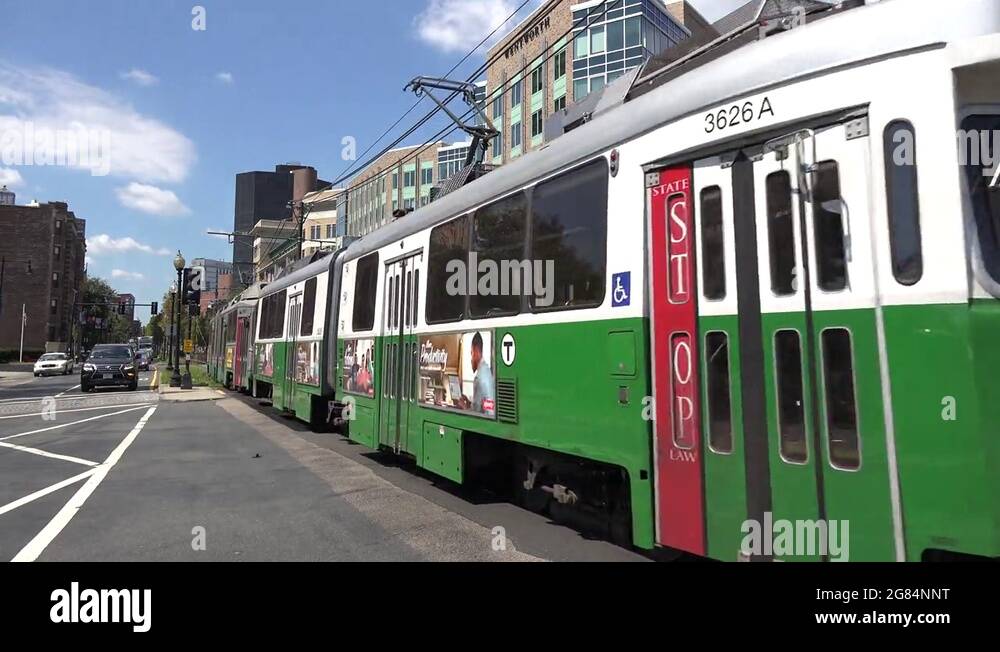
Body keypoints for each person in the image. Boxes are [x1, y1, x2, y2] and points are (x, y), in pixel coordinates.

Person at [468, 332, 495, 416]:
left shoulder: (480, 378)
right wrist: (469, 403)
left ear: (476, 350)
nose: (471, 359)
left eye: (471, 353)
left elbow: (479, 412)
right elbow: (482, 404)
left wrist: (464, 407)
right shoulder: (486, 371)